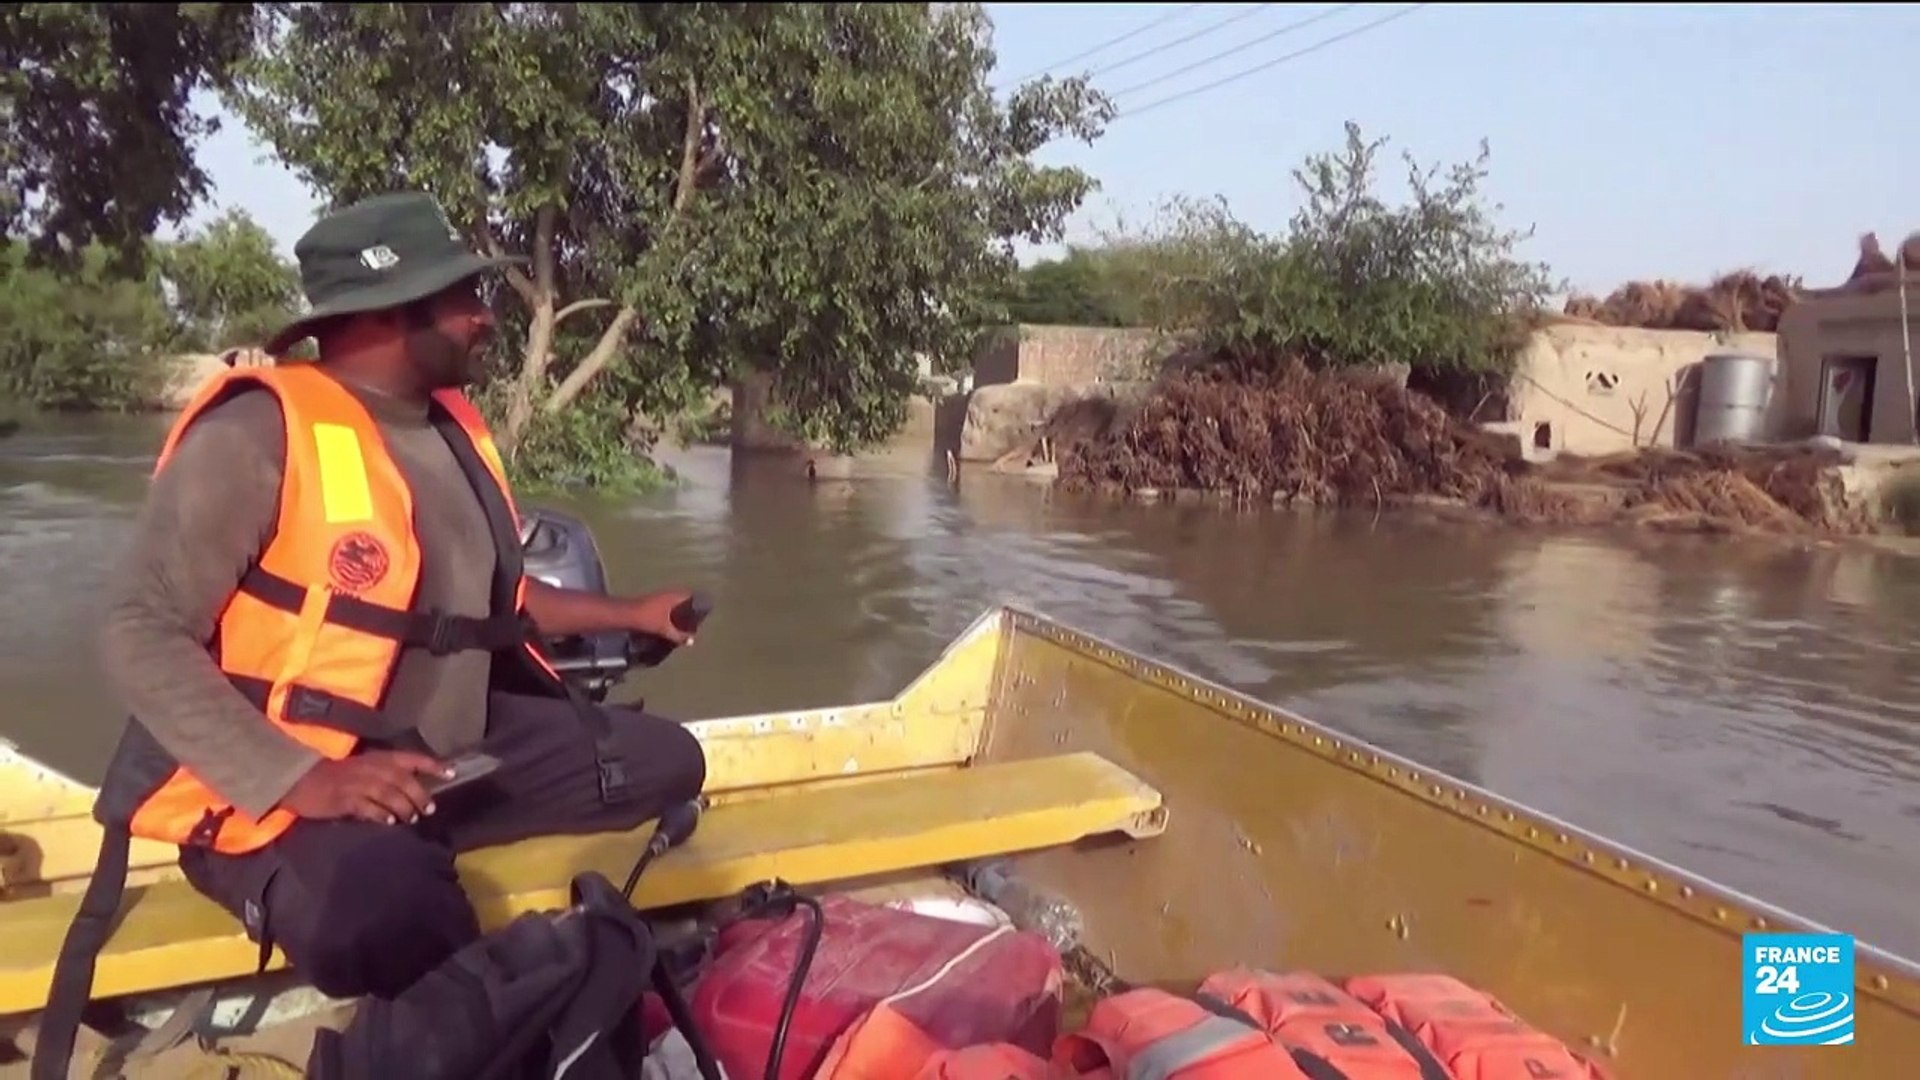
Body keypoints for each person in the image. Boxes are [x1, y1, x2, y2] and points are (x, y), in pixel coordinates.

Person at [82, 191, 710, 1003]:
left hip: (449, 759)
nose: (484, 317)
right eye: (462, 297)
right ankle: (377, 885)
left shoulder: (450, 431)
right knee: (384, 912)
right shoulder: (252, 437)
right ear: (386, 310)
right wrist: (303, 778)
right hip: (292, 775)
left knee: (669, 762)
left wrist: (629, 614)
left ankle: (411, 839)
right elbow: (138, 630)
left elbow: (494, 607)